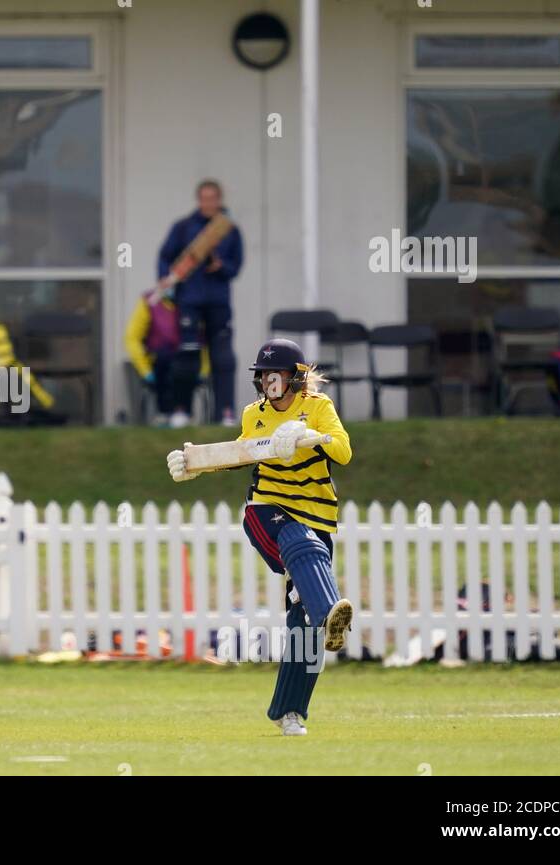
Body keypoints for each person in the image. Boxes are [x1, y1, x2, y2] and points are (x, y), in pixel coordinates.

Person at [165, 338, 354, 736]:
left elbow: (343, 451)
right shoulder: (255, 415)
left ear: (296, 378)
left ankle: (290, 713)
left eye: (277, 375)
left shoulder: (319, 408)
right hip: (266, 511)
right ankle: (327, 611)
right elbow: (241, 452)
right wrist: (195, 464)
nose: (269, 381)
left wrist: (308, 436)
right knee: (301, 543)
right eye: (265, 375)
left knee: (303, 627)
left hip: (318, 515)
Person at [157, 179, 243, 426]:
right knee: (187, 355)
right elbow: (165, 257)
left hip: (218, 301)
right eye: (204, 198)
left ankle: (225, 412)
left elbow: (236, 265)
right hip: (190, 301)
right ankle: (182, 410)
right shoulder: (183, 228)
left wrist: (221, 267)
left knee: (223, 358)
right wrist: (165, 277)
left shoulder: (229, 229)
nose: (208, 203)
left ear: (219, 199)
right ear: (199, 200)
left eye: (213, 198)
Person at [124, 284, 182, 425]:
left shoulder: (192, 302)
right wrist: (146, 371)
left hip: (184, 362)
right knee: (164, 360)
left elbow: (203, 341)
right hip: (158, 362)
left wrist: (203, 369)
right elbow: (132, 338)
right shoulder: (149, 302)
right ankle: (165, 413)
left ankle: (181, 413)